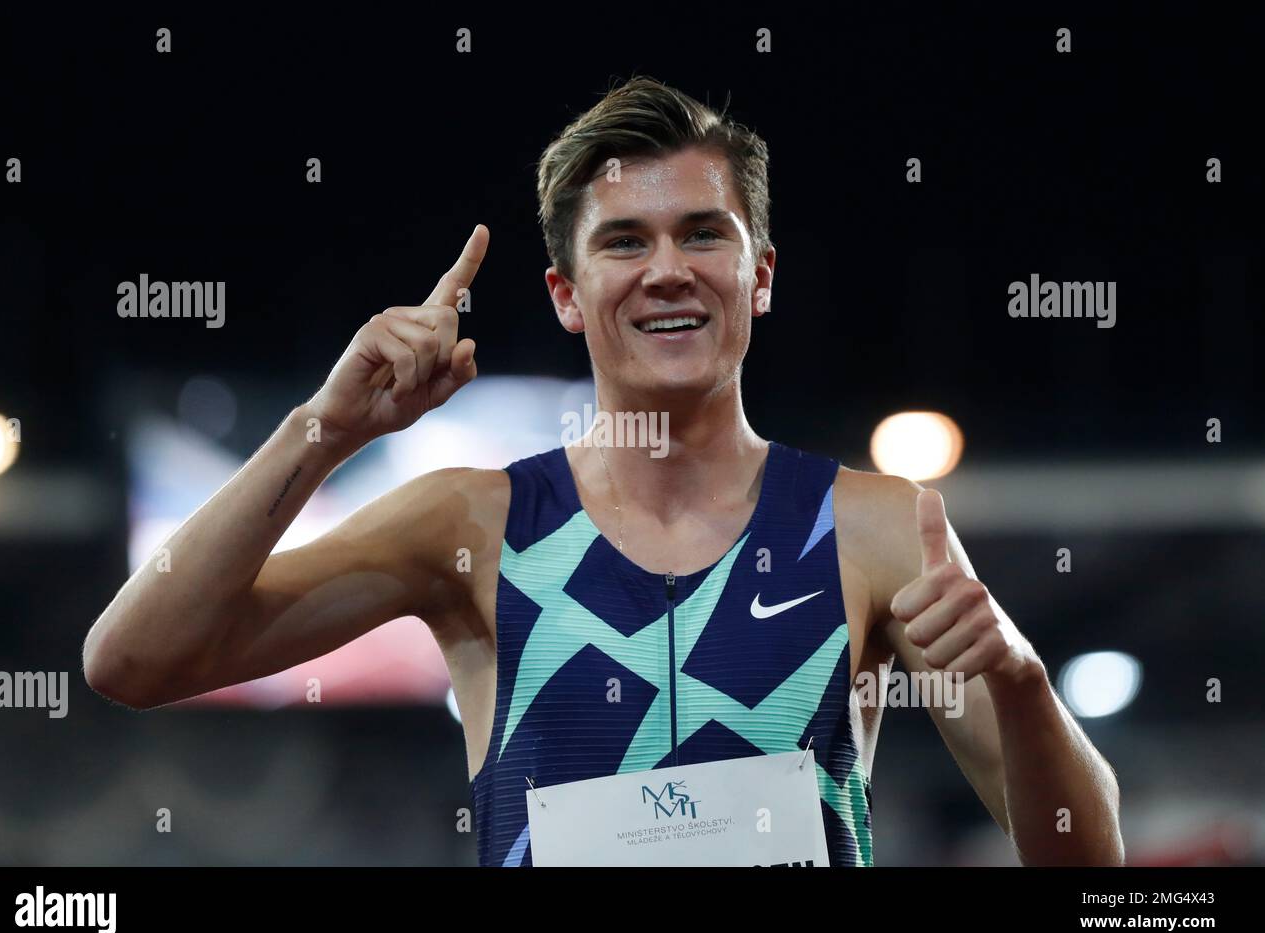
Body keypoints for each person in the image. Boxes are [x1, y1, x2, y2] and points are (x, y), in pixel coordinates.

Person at [82, 76, 1123, 867]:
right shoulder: (472, 525)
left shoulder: (876, 526)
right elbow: (131, 660)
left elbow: (1089, 858)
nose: (666, 268)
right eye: (624, 241)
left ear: (757, 275)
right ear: (566, 294)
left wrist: (1019, 683)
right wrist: (325, 428)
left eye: (701, 234)